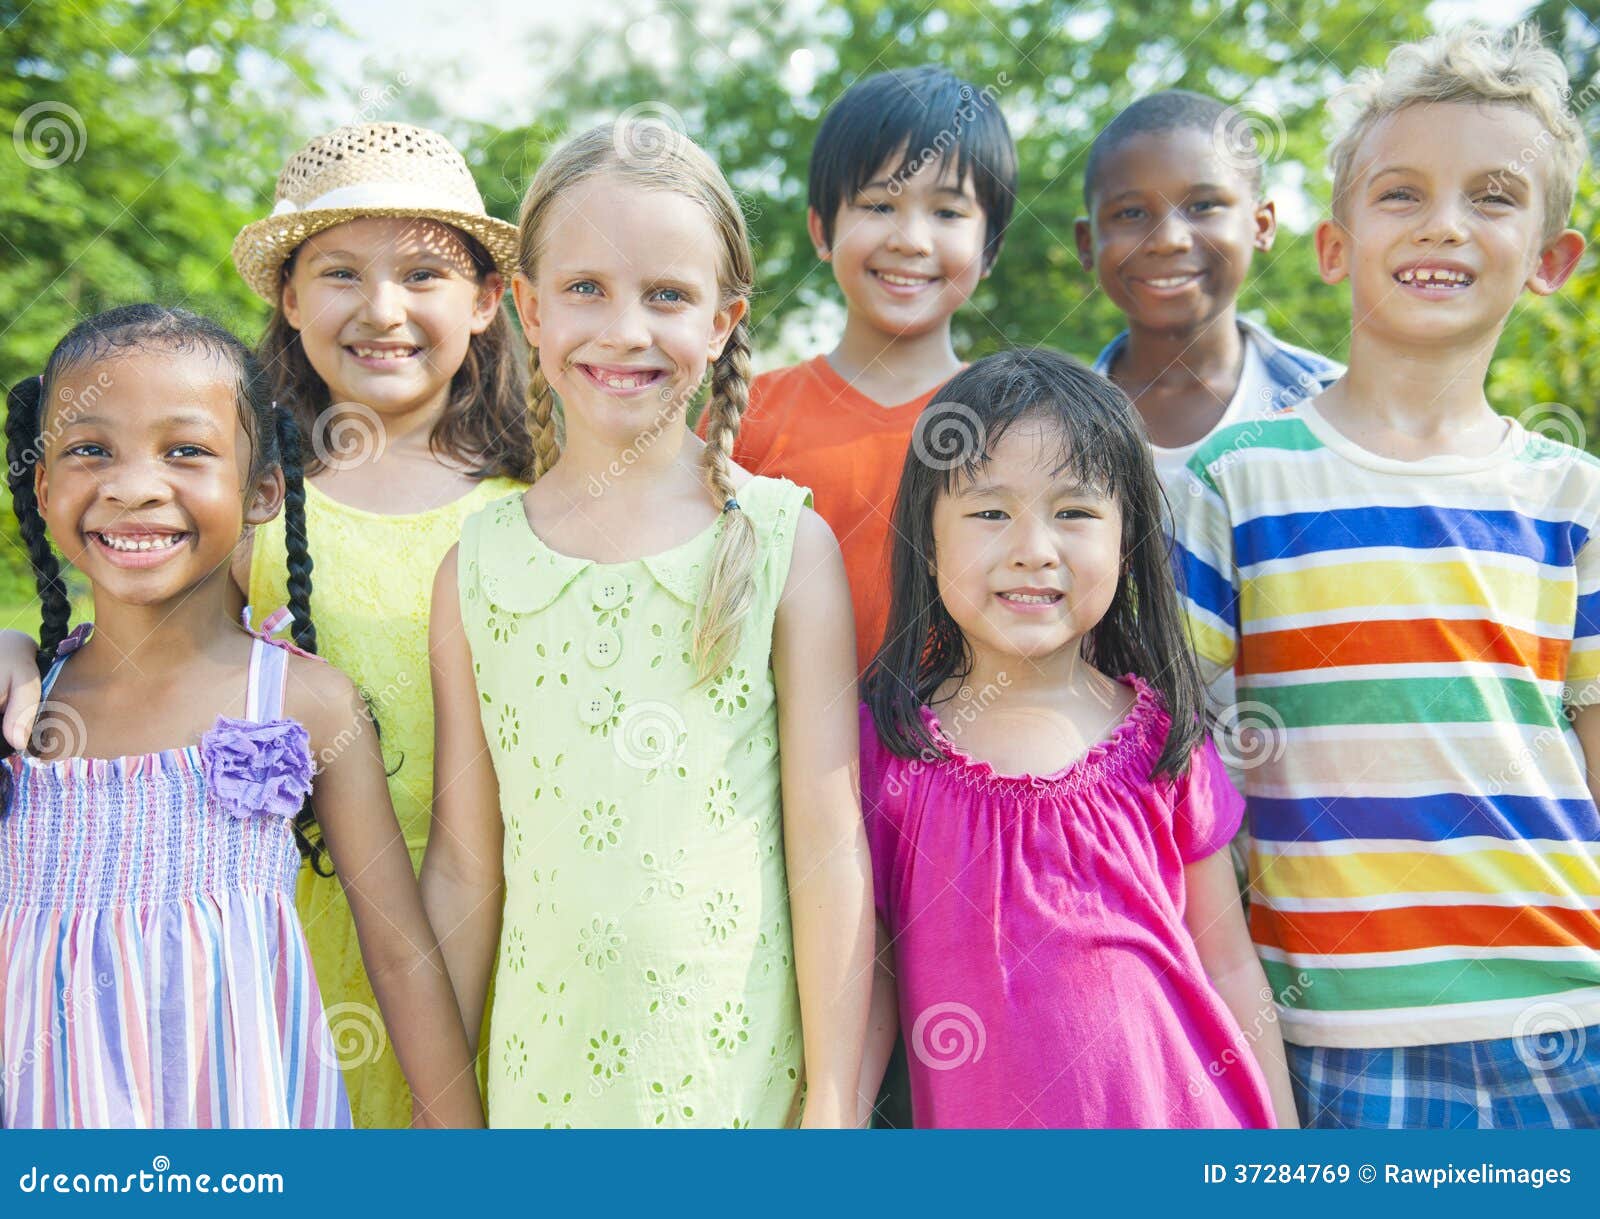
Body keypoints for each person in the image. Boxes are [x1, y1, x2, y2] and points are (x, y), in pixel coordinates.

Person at [1170, 25, 1600, 1127]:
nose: (1444, 224)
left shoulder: (1575, 499)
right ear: (1332, 244)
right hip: (1333, 1028)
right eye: (1401, 193)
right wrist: (1237, 1010)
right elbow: (1185, 780)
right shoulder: (1236, 482)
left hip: (1567, 1012)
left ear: (1552, 260)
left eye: (1492, 197)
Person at [421, 122, 873, 1127]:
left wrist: (835, 1103)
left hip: (739, 1089)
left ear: (722, 320)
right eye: (585, 289)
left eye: (666, 295)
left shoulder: (782, 546)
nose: (625, 330)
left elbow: (829, 844)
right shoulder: (477, 570)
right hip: (543, 1096)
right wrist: (440, 1113)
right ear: (529, 311)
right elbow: (462, 863)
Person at [0, 305, 480, 1128]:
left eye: (186, 451)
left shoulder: (303, 703)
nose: (134, 485)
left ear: (262, 491)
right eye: (90, 450)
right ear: (43, 488)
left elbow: (402, 960)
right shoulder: (20, 712)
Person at [858, 348, 1295, 1127]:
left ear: (1127, 541)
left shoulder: (1162, 735)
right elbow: (864, 979)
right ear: (928, 533)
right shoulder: (886, 745)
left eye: (1075, 511)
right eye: (990, 512)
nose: (1034, 547)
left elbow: (1228, 963)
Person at [702, 65, 1017, 673]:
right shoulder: (750, 415)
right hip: (778, 758)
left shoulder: (1021, 424)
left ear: (992, 243)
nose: (912, 240)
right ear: (822, 229)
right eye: (879, 204)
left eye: (949, 213)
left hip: (959, 761)